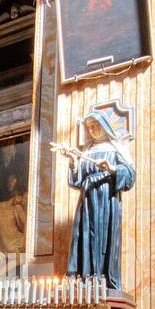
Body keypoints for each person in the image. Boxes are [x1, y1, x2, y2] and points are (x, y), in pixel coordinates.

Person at [59, 110, 135, 291]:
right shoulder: (88, 150)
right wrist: (74, 162)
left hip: (106, 199)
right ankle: (86, 278)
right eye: (89, 127)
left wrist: (113, 169)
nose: (92, 130)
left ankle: (103, 279)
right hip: (87, 199)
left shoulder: (115, 149)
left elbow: (130, 176)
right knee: (83, 235)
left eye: (95, 126)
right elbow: (77, 181)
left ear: (104, 126)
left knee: (103, 236)